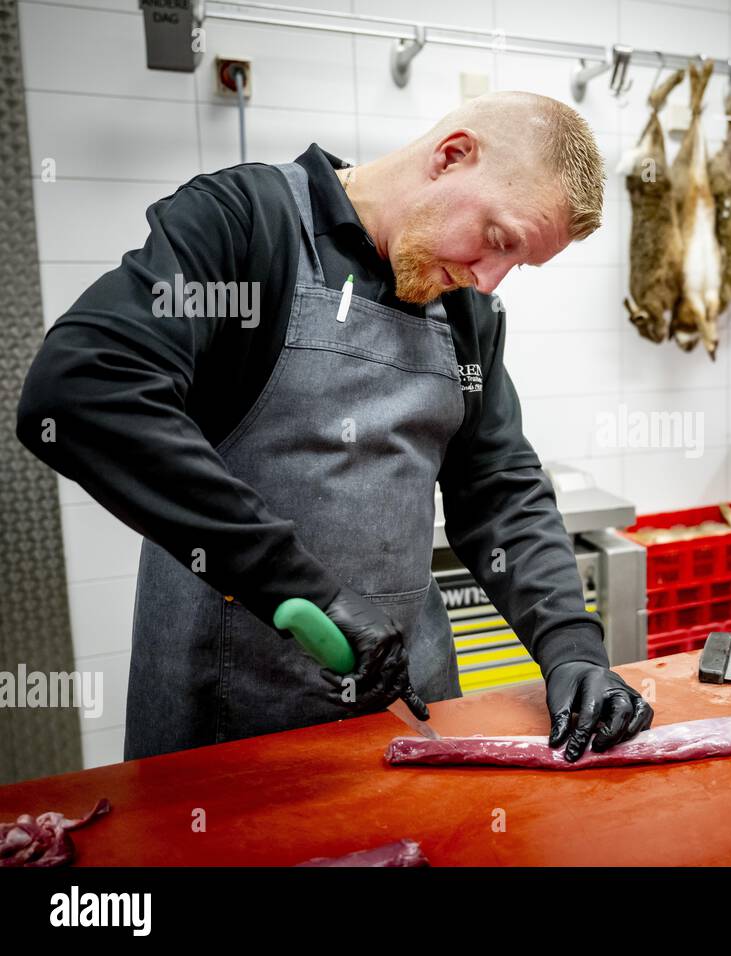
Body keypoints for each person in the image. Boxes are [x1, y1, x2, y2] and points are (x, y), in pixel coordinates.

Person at [16, 90, 653, 762]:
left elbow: (497, 486)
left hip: (408, 705)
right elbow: (82, 389)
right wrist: (302, 588)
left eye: (513, 265)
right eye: (498, 241)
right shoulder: (243, 226)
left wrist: (572, 649)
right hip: (231, 719)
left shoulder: (466, 309)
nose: (489, 281)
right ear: (452, 156)